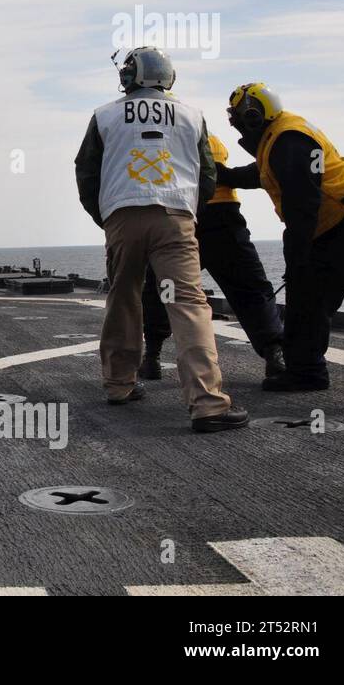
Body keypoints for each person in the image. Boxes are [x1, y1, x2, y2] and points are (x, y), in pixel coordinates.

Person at [74, 47, 248, 433]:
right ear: (169, 78)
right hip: (175, 218)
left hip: (122, 216)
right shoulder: (192, 115)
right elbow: (206, 174)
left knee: (123, 298)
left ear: (128, 77)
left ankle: (119, 385)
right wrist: (190, 211)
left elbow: (85, 172)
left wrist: (104, 217)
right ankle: (207, 404)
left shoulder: (103, 115)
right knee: (187, 304)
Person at [216, 83, 344, 391]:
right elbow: (266, 173)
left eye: (237, 118)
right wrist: (225, 175)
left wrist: (296, 256)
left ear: (253, 116)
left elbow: (303, 205)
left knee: (306, 296)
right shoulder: (280, 137)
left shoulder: (289, 140)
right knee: (306, 303)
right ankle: (305, 372)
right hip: (337, 227)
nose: (235, 125)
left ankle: (306, 370)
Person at [139, 132, 285, 381]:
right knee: (251, 289)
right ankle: (275, 355)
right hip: (225, 219)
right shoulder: (213, 139)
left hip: (181, 217)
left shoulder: (166, 140)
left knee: (162, 289)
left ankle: (152, 356)